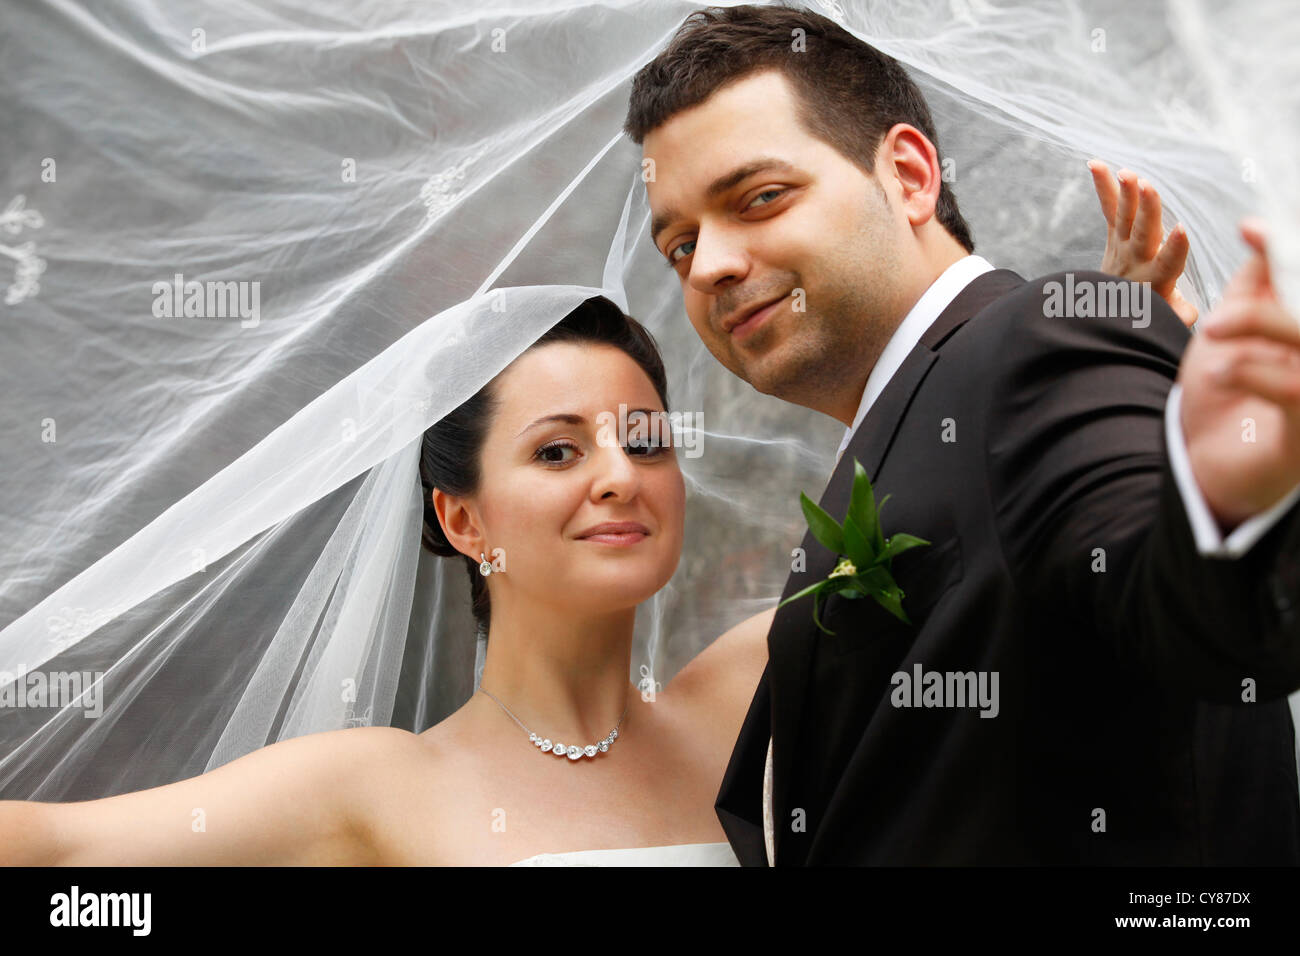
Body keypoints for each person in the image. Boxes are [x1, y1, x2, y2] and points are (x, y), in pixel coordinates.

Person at [0, 156, 1186, 863]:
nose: (620, 474)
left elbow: (1004, 578)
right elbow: (61, 853)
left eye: (646, 440)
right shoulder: (371, 784)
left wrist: (1094, 369)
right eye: (558, 449)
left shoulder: (761, 677)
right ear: (463, 519)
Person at [625, 3, 1300, 865]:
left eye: (759, 198)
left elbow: (1173, 597)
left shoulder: (1044, 341)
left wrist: (1238, 500)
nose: (711, 264)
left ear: (909, 176)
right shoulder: (945, 395)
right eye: (679, 246)